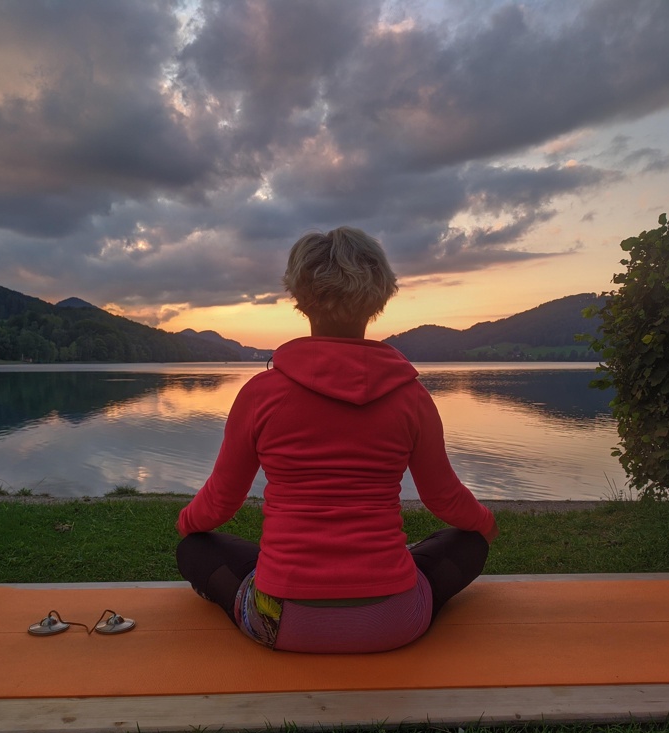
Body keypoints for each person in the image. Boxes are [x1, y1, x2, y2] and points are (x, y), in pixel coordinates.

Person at [176, 226, 499, 653]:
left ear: (300, 297)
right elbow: (444, 498)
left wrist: (186, 524)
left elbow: (220, 502)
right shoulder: (411, 397)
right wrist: (485, 523)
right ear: (379, 297)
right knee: (468, 543)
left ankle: (270, 594)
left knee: (195, 550)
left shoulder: (260, 394)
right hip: (395, 621)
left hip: (282, 622)